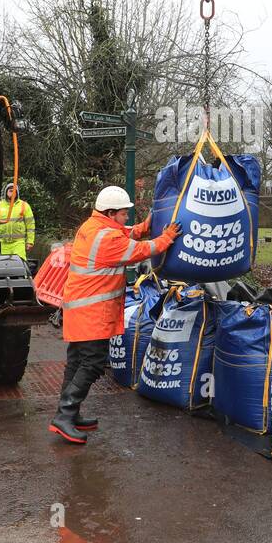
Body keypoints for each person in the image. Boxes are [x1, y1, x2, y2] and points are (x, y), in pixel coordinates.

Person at [50, 185, 180, 444]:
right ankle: (64, 416)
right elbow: (140, 250)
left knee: (77, 362)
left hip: (79, 309)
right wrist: (165, 238)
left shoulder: (93, 227)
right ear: (110, 213)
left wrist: (145, 225)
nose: (126, 219)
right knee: (93, 363)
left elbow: (126, 234)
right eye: (123, 214)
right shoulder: (108, 238)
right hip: (92, 312)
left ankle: (69, 414)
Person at [0, 183, 35, 261]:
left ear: (17, 193)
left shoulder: (24, 205)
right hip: (1, 243)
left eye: (14, 191)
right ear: (6, 192)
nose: (12, 193)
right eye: (10, 191)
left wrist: (30, 241)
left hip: (18, 242)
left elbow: (30, 225)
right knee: (3, 266)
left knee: (20, 262)